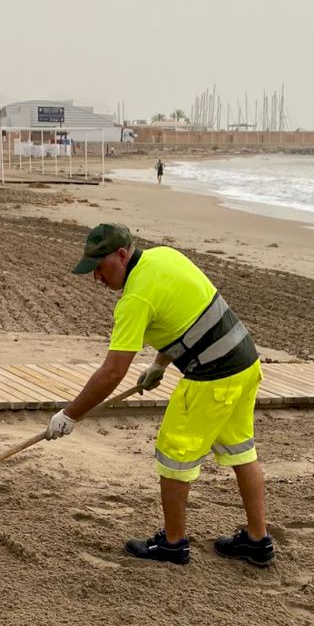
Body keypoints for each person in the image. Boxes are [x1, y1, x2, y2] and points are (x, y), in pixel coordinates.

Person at [45, 223, 273, 567]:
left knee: (174, 455)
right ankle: (257, 540)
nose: (97, 278)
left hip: (212, 377)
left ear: (122, 255)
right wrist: (160, 364)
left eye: (100, 267)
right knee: (241, 450)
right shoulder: (164, 257)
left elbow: (112, 372)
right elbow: (183, 315)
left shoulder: (135, 298)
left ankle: (173, 544)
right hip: (245, 364)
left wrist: (70, 415)